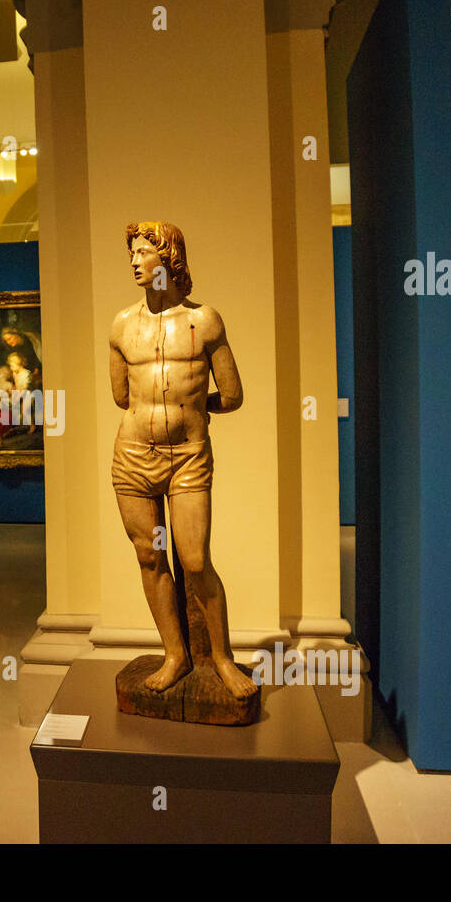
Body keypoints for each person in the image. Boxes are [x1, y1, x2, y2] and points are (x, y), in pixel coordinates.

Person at [108, 220, 258, 701]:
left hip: (187, 459)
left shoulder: (203, 321)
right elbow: (119, 397)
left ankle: (222, 658)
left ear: (169, 257)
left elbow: (232, 396)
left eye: (144, 251)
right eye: (131, 252)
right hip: (133, 459)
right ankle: (175, 654)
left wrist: (193, 411)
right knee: (151, 556)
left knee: (193, 559)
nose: (134, 261)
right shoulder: (121, 325)